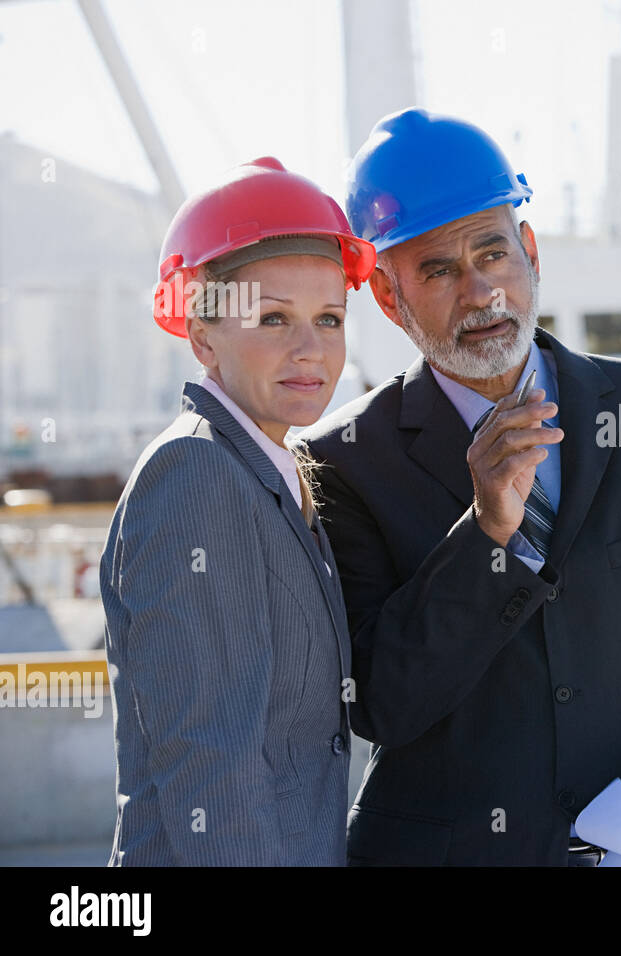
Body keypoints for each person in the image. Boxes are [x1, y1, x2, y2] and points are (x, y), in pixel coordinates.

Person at [298, 110, 621, 866]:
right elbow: (380, 702)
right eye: (437, 270)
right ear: (390, 301)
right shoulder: (343, 460)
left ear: (528, 253)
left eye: (493, 253)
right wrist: (485, 532)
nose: (480, 292)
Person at [100, 157, 376, 865]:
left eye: (329, 318)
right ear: (202, 337)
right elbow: (213, 767)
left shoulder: (261, 471)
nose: (311, 348)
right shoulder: (195, 474)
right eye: (273, 318)